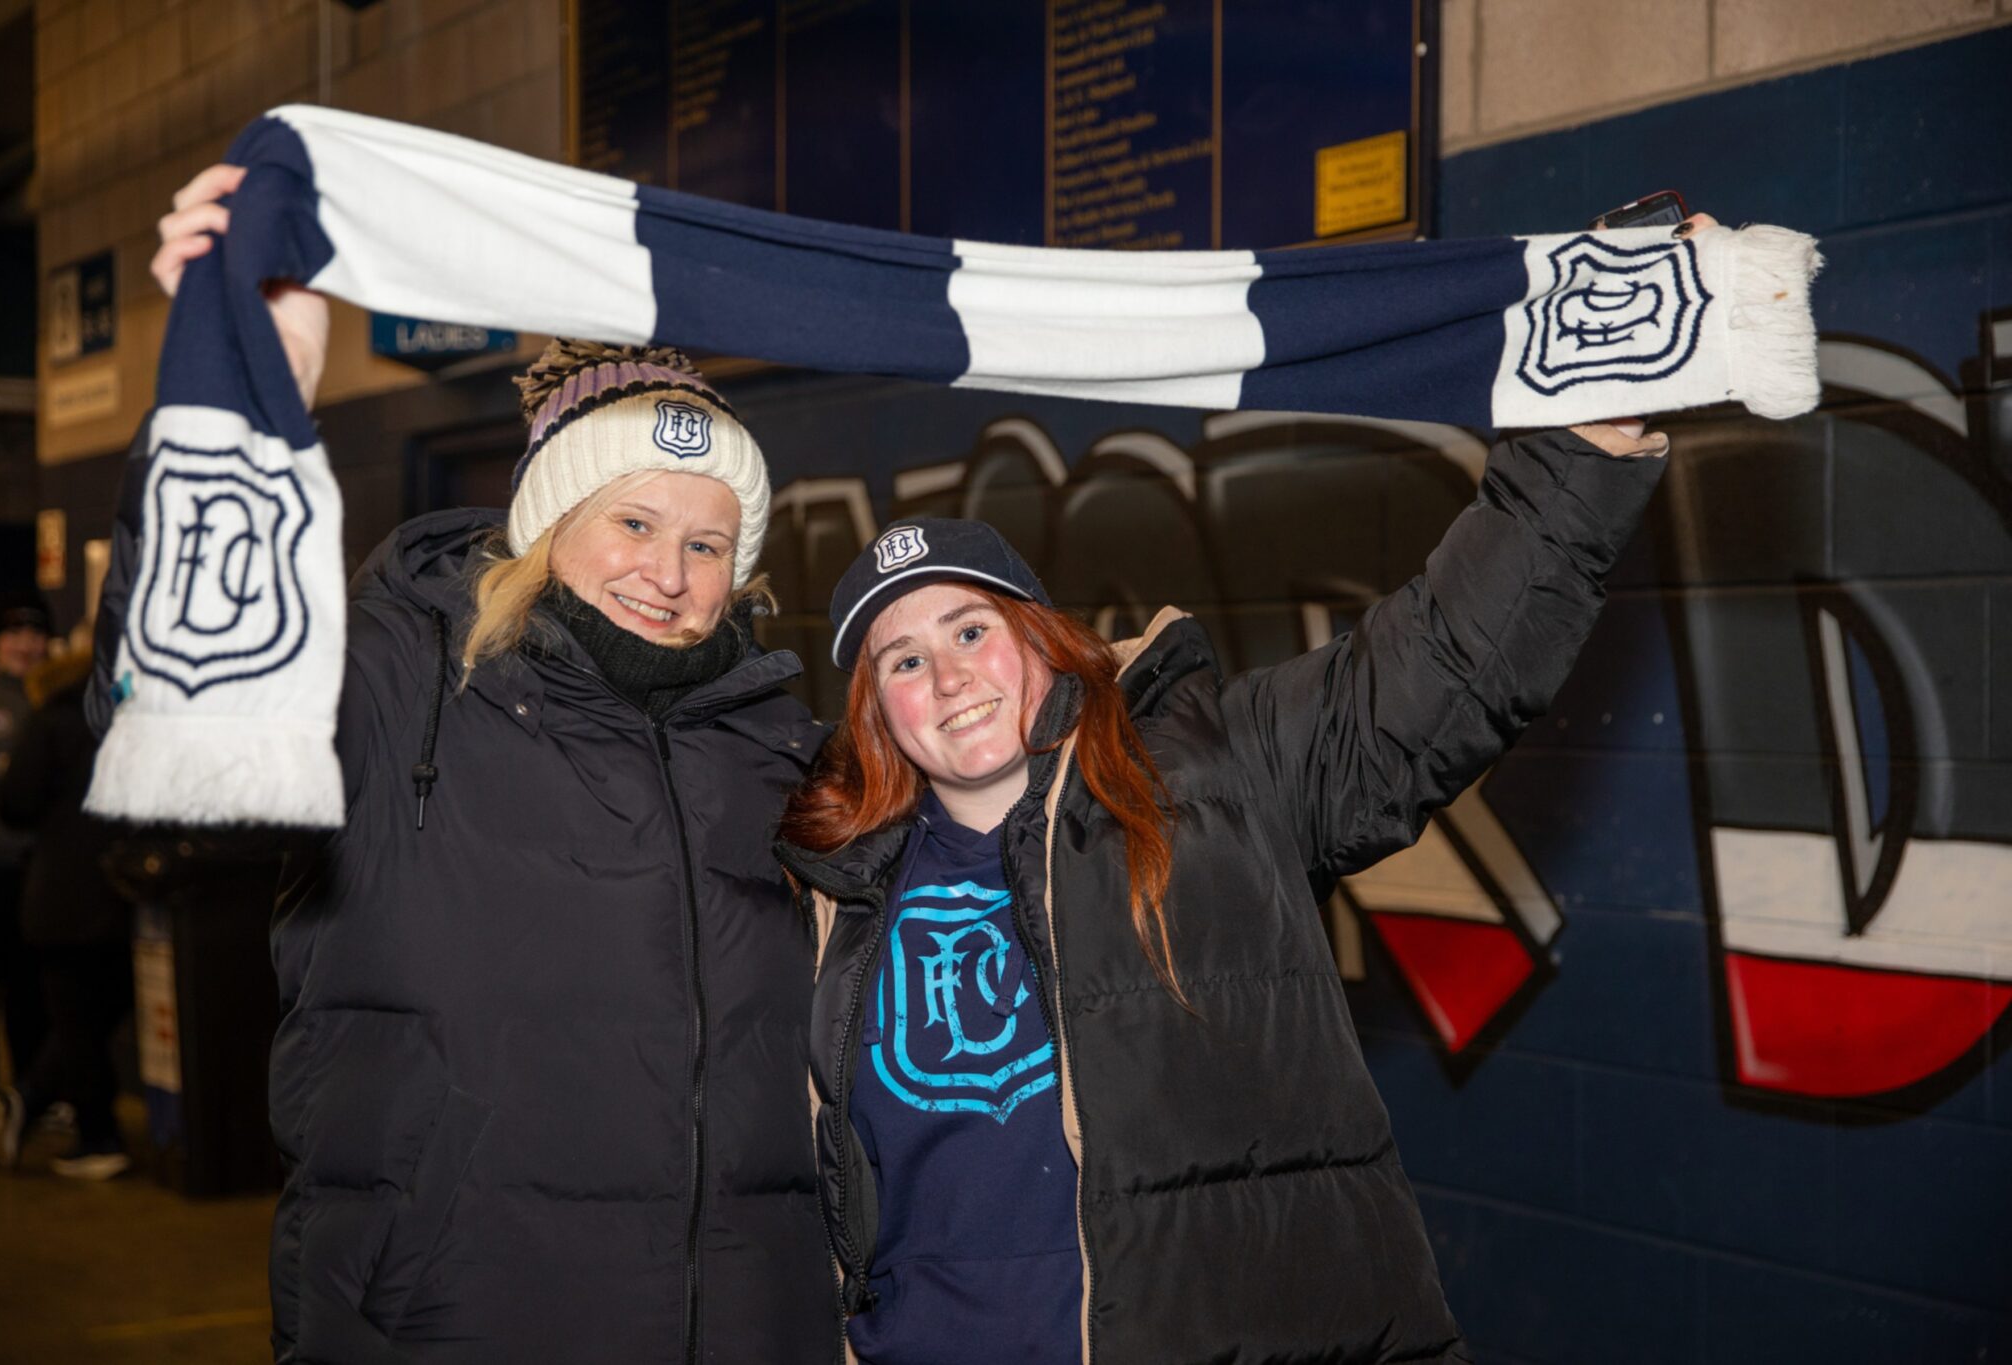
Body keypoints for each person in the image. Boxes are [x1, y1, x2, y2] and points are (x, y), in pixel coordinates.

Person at [776, 329, 1704, 1357]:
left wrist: (1580, 439)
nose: (946, 677)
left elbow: (1441, 657)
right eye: (901, 658)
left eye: (967, 630)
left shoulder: (1218, 769)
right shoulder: (828, 883)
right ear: (873, 711)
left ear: (1040, 639)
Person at [106, 167, 837, 1364]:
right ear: (549, 527)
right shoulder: (400, 688)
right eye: (633, 524)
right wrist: (230, 407)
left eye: (708, 542)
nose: (670, 572)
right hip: (453, 1322)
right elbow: (188, 723)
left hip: (746, 1327)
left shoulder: (783, 751)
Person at [0, 630, 137, 1179]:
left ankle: (93, 1134)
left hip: (60, 896)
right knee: (96, 1015)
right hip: (124, 891)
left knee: (78, 1018)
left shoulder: (51, 718)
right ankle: (32, 1099)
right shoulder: (133, 720)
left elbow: (17, 805)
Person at [0, 592, 52, 1143]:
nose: (26, 645)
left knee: (30, 991)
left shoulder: (51, 695)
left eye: (35, 635)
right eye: (15, 635)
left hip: (33, 869)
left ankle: (26, 1095)